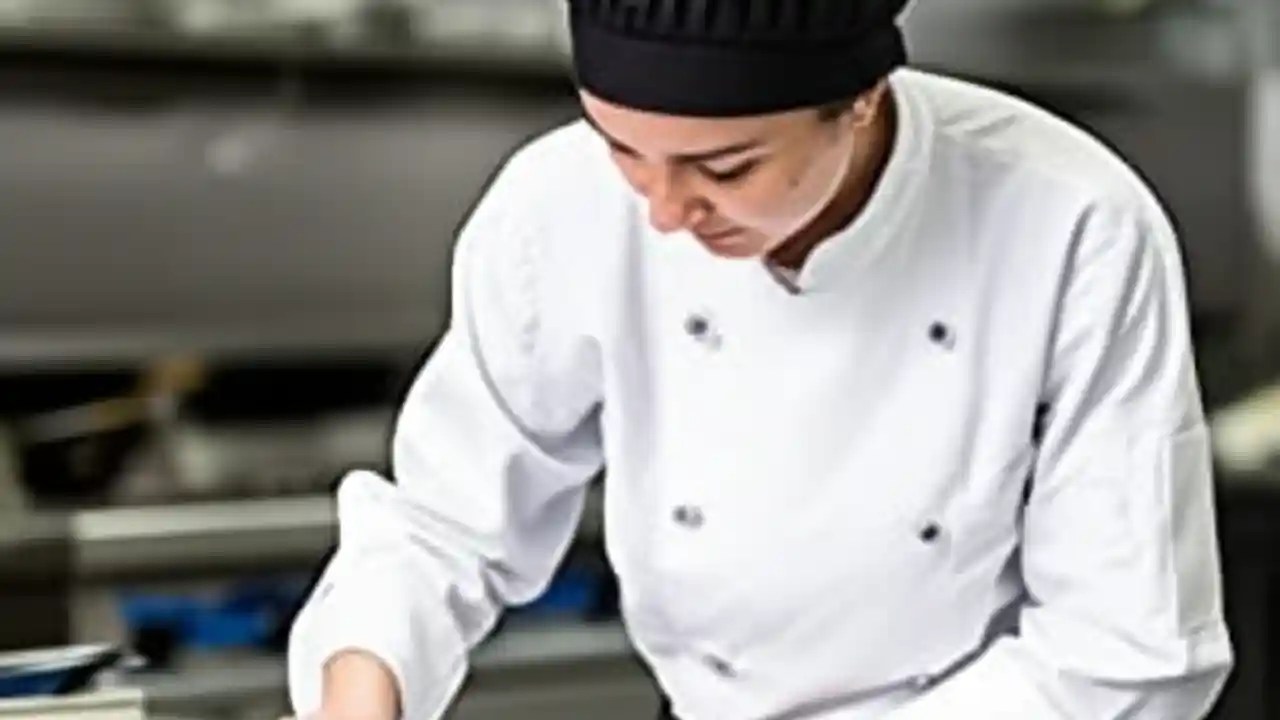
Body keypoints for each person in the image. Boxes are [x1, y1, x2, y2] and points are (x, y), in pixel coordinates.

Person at [287, 1, 1234, 718]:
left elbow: (1126, 652)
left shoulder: (1072, 223)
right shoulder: (555, 205)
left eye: (725, 168)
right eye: (622, 148)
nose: (664, 210)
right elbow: (443, 525)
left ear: (862, 100)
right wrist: (367, 679)